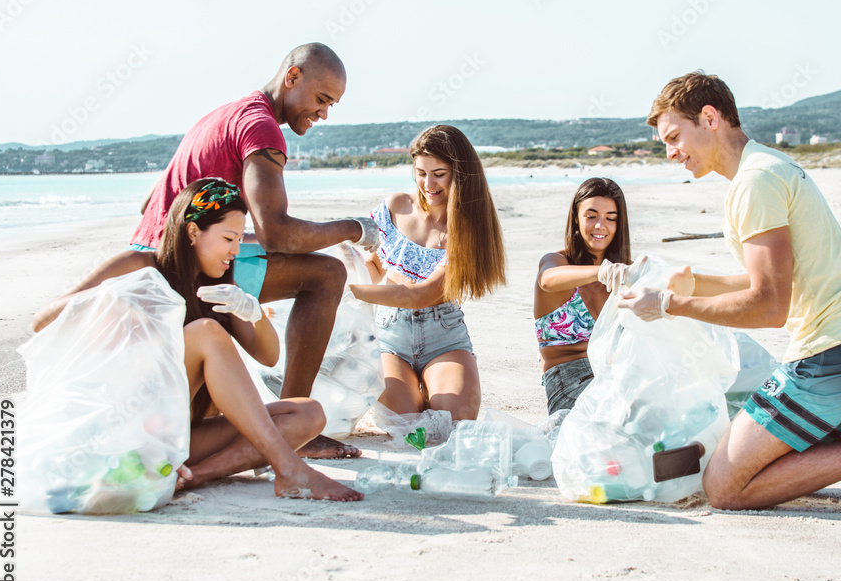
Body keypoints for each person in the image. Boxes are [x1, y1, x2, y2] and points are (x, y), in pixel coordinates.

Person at [619, 71, 841, 516]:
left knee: (725, 487)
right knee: (747, 449)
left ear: (709, 118)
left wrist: (671, 306)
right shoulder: (764, 167)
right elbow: (775, 279)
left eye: (674, 137)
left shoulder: (755, 182)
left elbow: (769, 306)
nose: (671, 152)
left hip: (835, 355)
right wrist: (697, 285)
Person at [35, 179, 363, 502]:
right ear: (193, 232)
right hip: (126, 433)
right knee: (206, 331)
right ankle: (290, 470)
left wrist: (254, 313)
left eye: (239, 239)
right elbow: (42, 322)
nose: (236, 250)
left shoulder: (220, 286)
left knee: (308, 415)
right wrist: (118, 302)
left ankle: (192, 476)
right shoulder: (139, 267)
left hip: (181, 434)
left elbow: (268, 355)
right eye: (229, 238)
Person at [131, 43, 376, 460]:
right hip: (179, 273)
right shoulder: (263, 128)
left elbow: (150, 201)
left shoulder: (224, 114)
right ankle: (296, 423)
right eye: (321, 100)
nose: (324, 114)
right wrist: (357, 229)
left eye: (332, 105)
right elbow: (278, 233)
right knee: (326, 275)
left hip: (146, 256)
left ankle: (279, 416)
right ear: (292, 77)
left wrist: (239, 246)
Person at [348, 125, 506, 422]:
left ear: (460, 173)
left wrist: (346, 291)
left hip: (443, 337)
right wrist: (345, 274)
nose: (428, 183)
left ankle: (433, 383)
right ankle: (411, 387)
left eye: (439, 173)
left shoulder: (467, 228)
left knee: (453, 419)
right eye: (421, 172)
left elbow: (419, 296)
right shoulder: (397, 206)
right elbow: (372, 266)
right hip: (389, 335)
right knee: (402, 422)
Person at [534, 177, 632, 415]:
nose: (601, 225)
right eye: (591, 216)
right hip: (569, 382)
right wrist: (602, 271)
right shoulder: (557, 262)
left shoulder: (625, 272)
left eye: (611, 218)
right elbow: (546, 279)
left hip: (618, 377)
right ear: (576, 219)